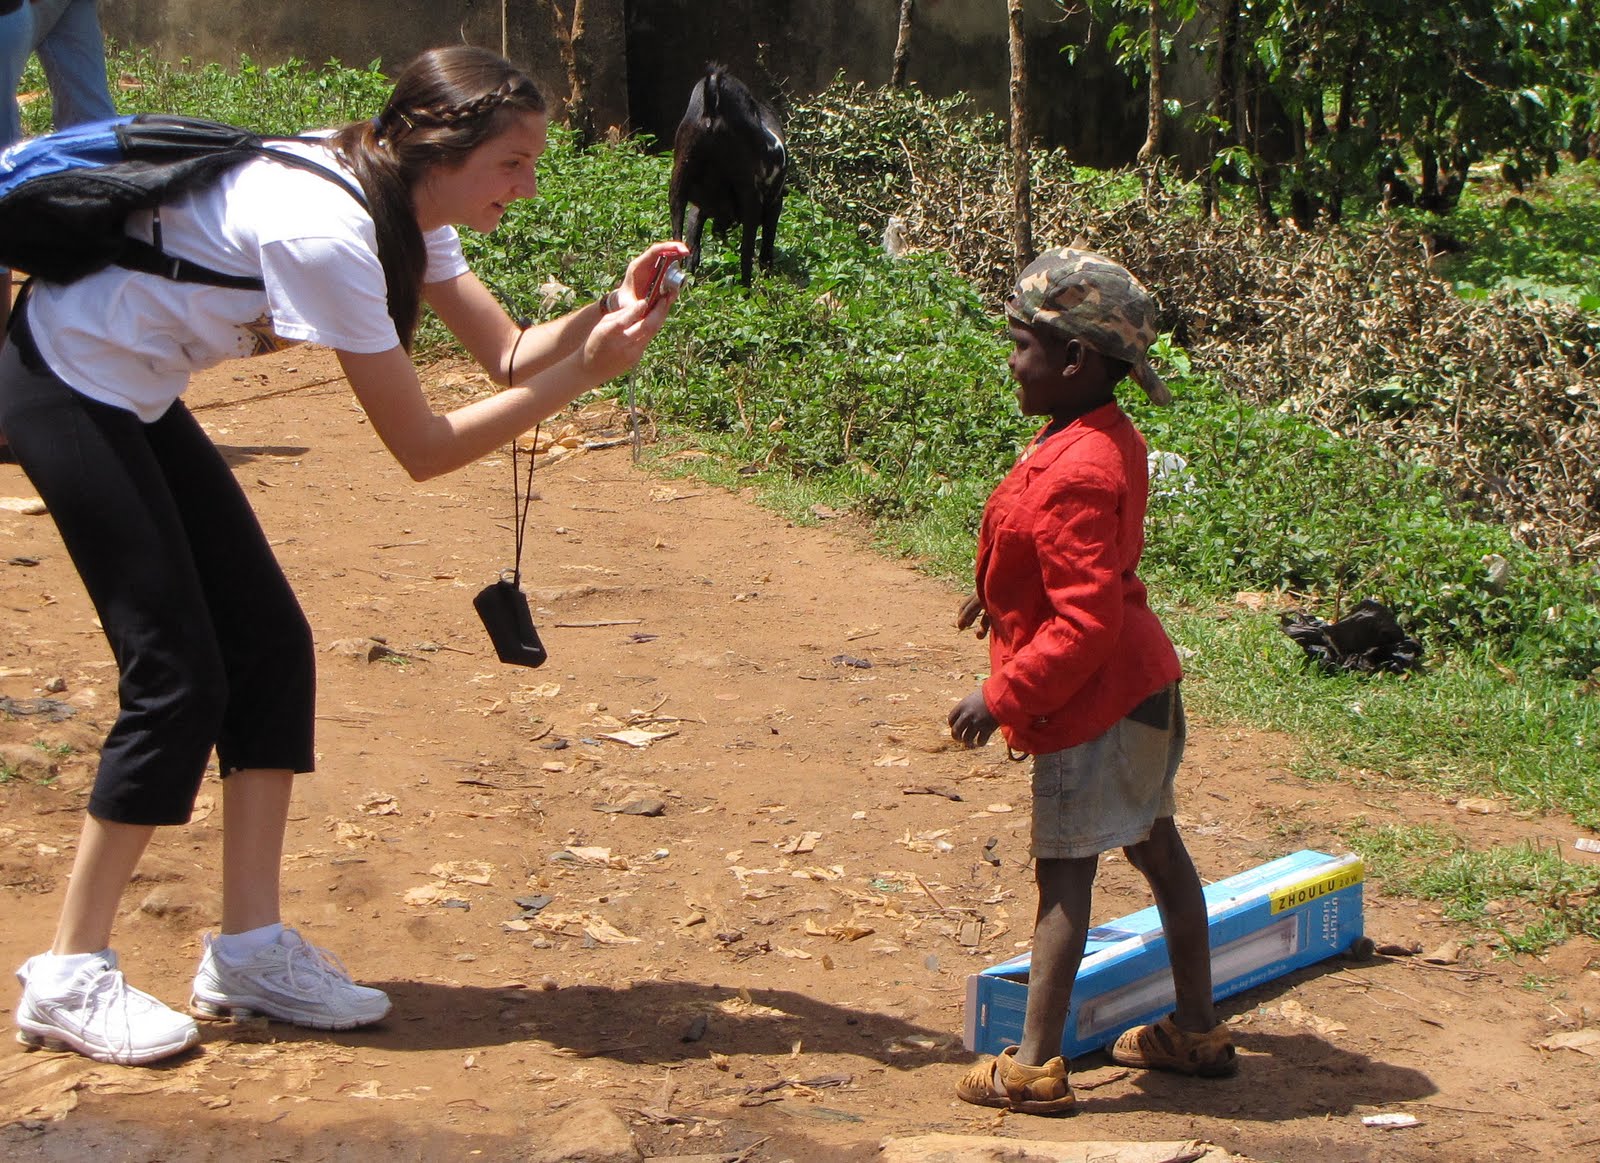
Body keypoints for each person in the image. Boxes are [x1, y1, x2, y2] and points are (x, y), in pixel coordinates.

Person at [0, 44, 689, 1067]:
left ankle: (248, 949)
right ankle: (68, 972)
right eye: (512, 162)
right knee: (176, 672)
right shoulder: (328, 230)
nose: (530, 184)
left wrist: (605, 312)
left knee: (270, 645)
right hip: (64, 380)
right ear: (440, 148)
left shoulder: (402, 204)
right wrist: (579, 381)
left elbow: (504, 351)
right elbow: (423, 448)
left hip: (132, 387)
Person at [947, 247, 1235, 1116]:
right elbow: (1082, 568)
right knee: (1159, 850)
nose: (1011, 358)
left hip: (1093, 704)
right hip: (1141, 689)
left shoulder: (1079, 465)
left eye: (1023, 343)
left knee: (1065, 876)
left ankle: (1034, 1066)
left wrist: (1000, 696)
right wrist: (999, 591)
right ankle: (1196, 1028)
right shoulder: (1101, 435)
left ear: (1075, 360)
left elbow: (1083, 623)